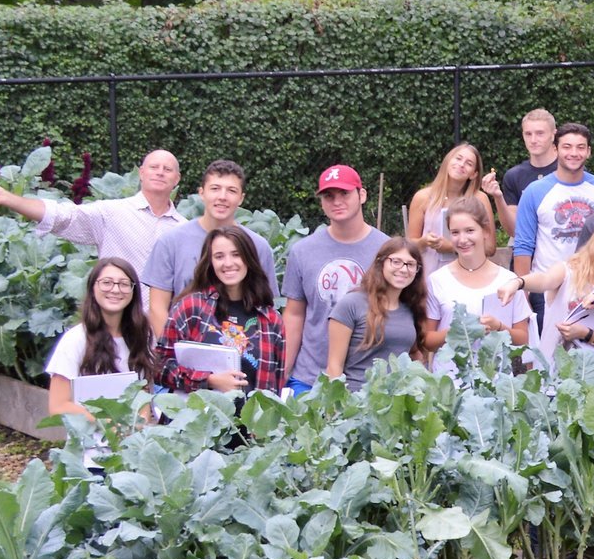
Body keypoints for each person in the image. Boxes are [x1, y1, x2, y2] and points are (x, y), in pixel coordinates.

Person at [0, 146, 184, 273]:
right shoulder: (111, 213)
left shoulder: (184, 229)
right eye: (154, 167)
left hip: (166, 332)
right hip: (119, 328)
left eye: (167, 169)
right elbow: (61, 216)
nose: (160, 173)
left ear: (176, 179)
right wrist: (9, 198)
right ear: (141, 173)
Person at [280, 165, 389, 394]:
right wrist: (283, 374)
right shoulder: (302, 251)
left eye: (345, 193)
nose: (337, 201)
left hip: (368, 382)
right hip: (310, 379)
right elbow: (294, 314)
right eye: (329, 196)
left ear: (362, 195)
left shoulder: (386, 250)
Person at [141, 159, 275, 338]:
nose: (222, 196)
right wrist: (173, 353)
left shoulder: (258, 247)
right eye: (215, 188)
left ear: (241, 198)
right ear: (201, 193)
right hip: (185, 351)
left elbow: (265, 307)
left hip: (242, 353)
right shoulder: (171, 242)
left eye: (231, 191)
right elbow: (157, 308)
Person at [153, 226, 288, 399]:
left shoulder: (271, 320)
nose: (228, 263)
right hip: (196, 421)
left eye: (236, 254)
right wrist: (209, 380)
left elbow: (275, 387)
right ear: (210, 262)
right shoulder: (191, 308)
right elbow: (159, 367)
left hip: (250, 423)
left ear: (249, 259)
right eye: (219, 256)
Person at [498, 213, 594, 369]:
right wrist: (518, 283)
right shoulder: (568, 270)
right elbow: (544, 280)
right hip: (553, 373)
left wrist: (587, 334)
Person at [46, 258, 151, 419]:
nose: (115, 290)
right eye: (107, 282)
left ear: (133, 291)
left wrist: (138, 425)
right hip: (88, 441)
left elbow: (142, 395)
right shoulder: (75, 340)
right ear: (92, 287)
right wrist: (107, 423)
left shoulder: (141, 336)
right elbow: (58, 406)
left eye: (124, 284)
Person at [325, 239, 438, 389]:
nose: (404, 269)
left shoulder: (412, 308)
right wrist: (335, 408)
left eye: (410, 264)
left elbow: (414, 355)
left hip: (396, 406)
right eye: (396, 262)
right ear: (381, 263)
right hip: (356, 403)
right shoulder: (351, 304)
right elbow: (334, 366)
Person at [423, 196, 519, 372]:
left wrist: (499, 327)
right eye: (455, 232)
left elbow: (523, 339)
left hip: (495, 384)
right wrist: (462, 330)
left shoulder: (508, 280)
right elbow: (427, 341)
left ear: (486, 232)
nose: (462, 239)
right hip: (449, 384)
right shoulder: (437, 280)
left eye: (469, 230)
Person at [510, 123, 594, 279]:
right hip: (545, 287)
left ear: (588, 152)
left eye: (581, 147)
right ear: (556, 150)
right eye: (567, 147)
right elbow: (523, 246)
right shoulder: (534, 191)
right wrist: (524, 292)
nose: (574, 153)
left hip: (592, 284)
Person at [407, 142, 506, 280]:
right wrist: (424, 242)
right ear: (448, 161)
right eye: (458, 158)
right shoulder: (422, 197)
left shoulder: (480, 199)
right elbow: (409, 246)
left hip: (469, 277)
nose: (461, 164)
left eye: (469, 163)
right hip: (428, 278)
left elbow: (490, 248)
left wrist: (453, 247)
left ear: (474, 174)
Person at [501, 109, 558, 227]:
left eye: (540, 133)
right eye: (528, 134)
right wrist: (498, 198)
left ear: (553, 135)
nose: (533, 140)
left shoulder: (570, 171)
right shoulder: (513, 176)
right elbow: (514, 228)